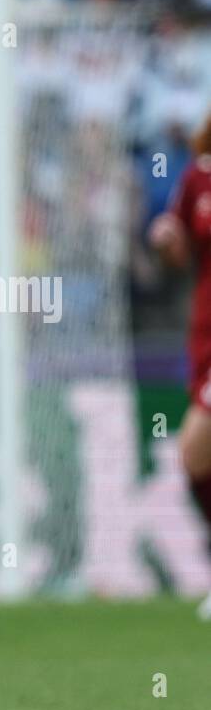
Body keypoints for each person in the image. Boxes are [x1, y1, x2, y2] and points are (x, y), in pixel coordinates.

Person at [149, 109, 211, 617]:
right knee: (196, 459)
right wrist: (169, 239)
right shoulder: (198, 176)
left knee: (194, 449)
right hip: (204, 337)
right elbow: (184, 253)